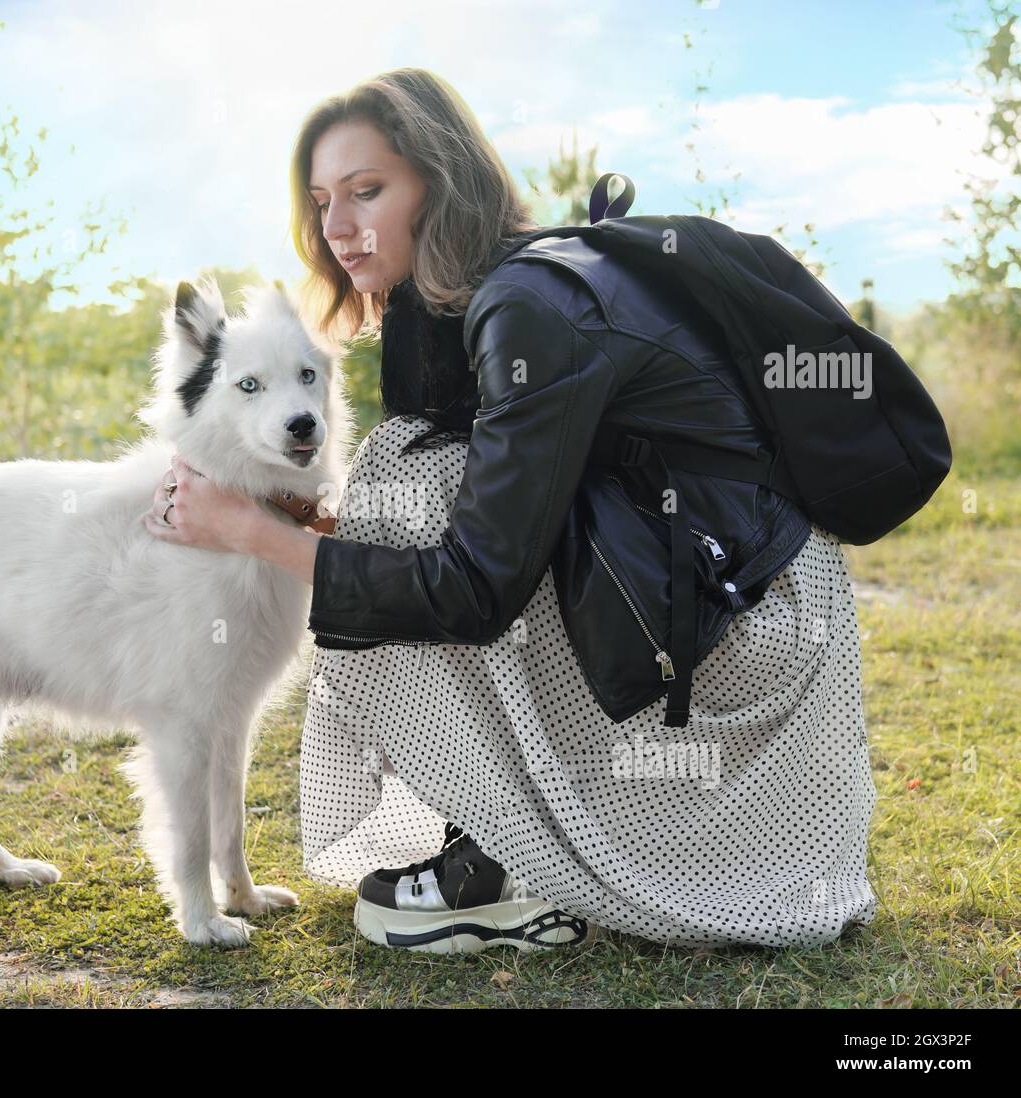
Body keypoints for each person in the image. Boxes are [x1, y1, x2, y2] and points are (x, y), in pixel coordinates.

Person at [145, 68, 879, 953]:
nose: (337, 227)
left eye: (367, 190)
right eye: (321, 199)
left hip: (747, 616)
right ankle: (502, 842)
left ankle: (511, 871)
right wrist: (316, 527)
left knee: (398, 486)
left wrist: (250, 533)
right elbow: (514, 509)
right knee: (397, 486)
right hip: (691, 583)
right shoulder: (461, 304)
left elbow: (477, 588)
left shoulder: (527, 307)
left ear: (439, 183)